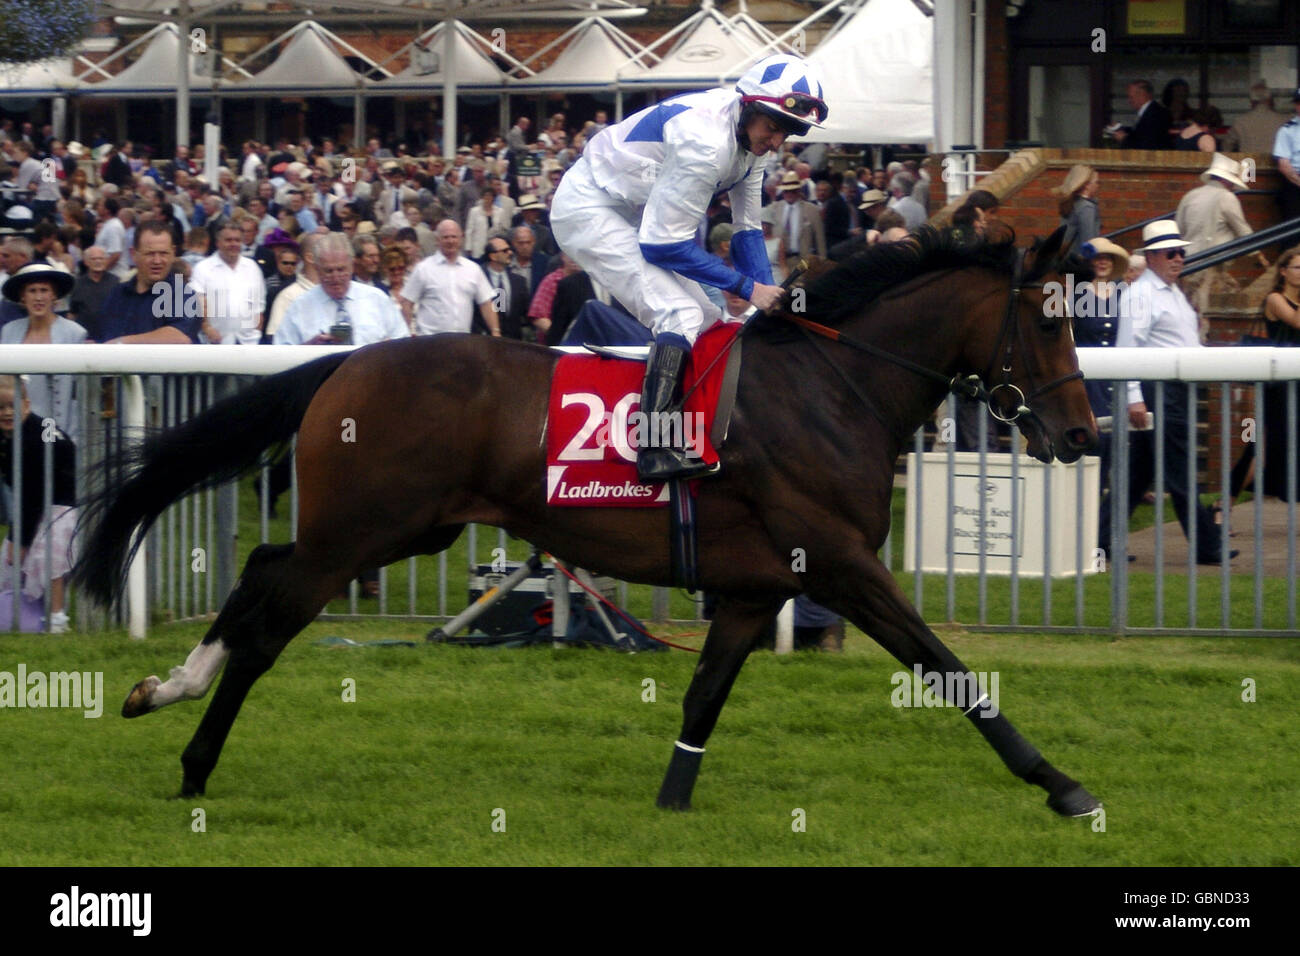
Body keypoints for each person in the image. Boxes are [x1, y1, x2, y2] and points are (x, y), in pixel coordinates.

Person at [549, 53, 820, 480]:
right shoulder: (707, 145)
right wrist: (750, 291)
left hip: (633, 210)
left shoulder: (750, 141)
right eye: (773, 128)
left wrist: (769, 298)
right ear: (750, 107)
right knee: (679, 312)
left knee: (710, 318)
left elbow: (747, 230)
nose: (776, 142)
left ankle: (696, 432)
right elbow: (662, 245)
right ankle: (653, 448)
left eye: (786, 133)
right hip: (588, 207)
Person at [1100, 220, 1234, 565]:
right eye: (1172, 253)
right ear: (1155, 256)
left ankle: (1100, 541)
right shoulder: (1141, 294)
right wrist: (1133, 397)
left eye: (1182, 253)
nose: (1179, 259)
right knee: (1181, 470)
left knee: (1137, 475)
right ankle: (1207, 545)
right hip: (1157, 391)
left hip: (1173, 391)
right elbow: (1127, 347)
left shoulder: (1170, 292)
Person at [0, 374, 78, 633]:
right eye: (0, 407)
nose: (7, 412)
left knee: (50, 554)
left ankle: (56, 618)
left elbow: (32, 497)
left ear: (27, 403)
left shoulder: (34, 440)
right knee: (7, 566)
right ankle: (17, 613)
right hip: (35, 505)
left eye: (13, 405)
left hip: (63, 507)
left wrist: (18, 540)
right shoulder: (11, 436)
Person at [1225, 246, 1300, 513]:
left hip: (1297, 384)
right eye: (1297, 268)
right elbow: (1296, 321)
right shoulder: (1275, 299)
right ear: (1283, 272)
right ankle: (1223, 506)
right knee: (1260, 449)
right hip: (1278, 386)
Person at [274, 233, 408, 347]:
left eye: (341, 269)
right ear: (317, 269)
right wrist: (309, 349)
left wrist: (387, 349)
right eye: (328, 271)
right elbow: (281, 354)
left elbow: (403, 342)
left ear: (351, 266)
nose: (335, 277)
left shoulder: (377, 299)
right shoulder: (300, 307)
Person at [1073, 238, 1129, 508]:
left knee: (1117, 456)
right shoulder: (1075, 295)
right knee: (1094, 449)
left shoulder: (1124, 293)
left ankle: (1107, 536)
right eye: (1097, 258)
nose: (1103, 262)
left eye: (1108, 257)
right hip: (1088, 382)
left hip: (1115, 382)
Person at [96, 221, 200, 344]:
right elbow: (100, 335)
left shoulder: (184, 296)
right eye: (150, 253)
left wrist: (121, 343)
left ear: (173, 253)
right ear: (133, 254)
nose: (157, 261)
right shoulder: (117, 294)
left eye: (164, 253)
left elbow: (179, 337)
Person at [399, 219, 500, 336]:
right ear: (437, 240)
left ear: (461, 239)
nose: (450, 241)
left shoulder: (473, 269)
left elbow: (486, 303)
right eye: (446, 237)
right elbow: (407, 303)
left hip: (462, 342)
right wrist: (406, 334)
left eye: (454, 237)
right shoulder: (423, 269)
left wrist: (495, 331)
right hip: (430, 343)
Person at [190, 221, 266, 345]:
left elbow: (259, 307)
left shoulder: (253, 268)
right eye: (228, 240)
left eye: (237, 240)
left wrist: (255, 333)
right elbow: (197, 304)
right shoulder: (203, 268)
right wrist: (207, 328)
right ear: (218, 243)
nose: (233, 244)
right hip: (215, 343)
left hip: (249, 343)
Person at [775, 169, 827, 272]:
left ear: (799, 190)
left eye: (792, 190)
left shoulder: (812, 210)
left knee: (799, 289)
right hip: (778, 264)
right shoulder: (774, 209)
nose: (789, 193)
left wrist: (822, 265)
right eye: (786, 190)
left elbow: (820, 241)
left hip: (803, 264)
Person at [479, 236, 529, 340]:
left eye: (509, 249)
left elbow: (525, 312)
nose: (510, 253)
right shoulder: (477, 278)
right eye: (505, 251)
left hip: (513, 342)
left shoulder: (519, 281)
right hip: (483, 341)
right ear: (493, 256)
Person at [1224, 81, 1287, 155]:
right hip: (1275, 165)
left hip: (1248, 164)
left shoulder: (1240, 121)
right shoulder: (1282, 121)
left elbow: (1227, 146)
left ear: (1251, 102)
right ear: (1270, 100)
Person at [68, 246, 116, 341]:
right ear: (86, 262)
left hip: (110, 339)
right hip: (84, 340)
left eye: (101, 258)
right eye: (94, 259)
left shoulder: (116, 283)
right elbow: (72, 314)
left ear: (106, 261)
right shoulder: (77, 284)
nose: (98, 261)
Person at [1114, 80, 1172, 150]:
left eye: (1131, 97)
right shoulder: (1150, 111)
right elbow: (1139, 132)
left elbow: (1147, 142)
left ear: (1142, 94)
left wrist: (1124, 139)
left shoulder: (1156, 113)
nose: (1129, 101)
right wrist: (1120, 129)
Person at [1052, 164, 1100, 243]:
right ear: (1086, 185)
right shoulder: (1087, 207)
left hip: (1067, 253)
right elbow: (1088, 241)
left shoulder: (1070, 202)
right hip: (1077, 254)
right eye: (1096, 182)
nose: (1097, 186)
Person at [1272, 88, 1300, 222]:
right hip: (1295, 185)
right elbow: (1284, 165)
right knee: (1292, 233)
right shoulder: (1286, 130)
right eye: (1299, 103)